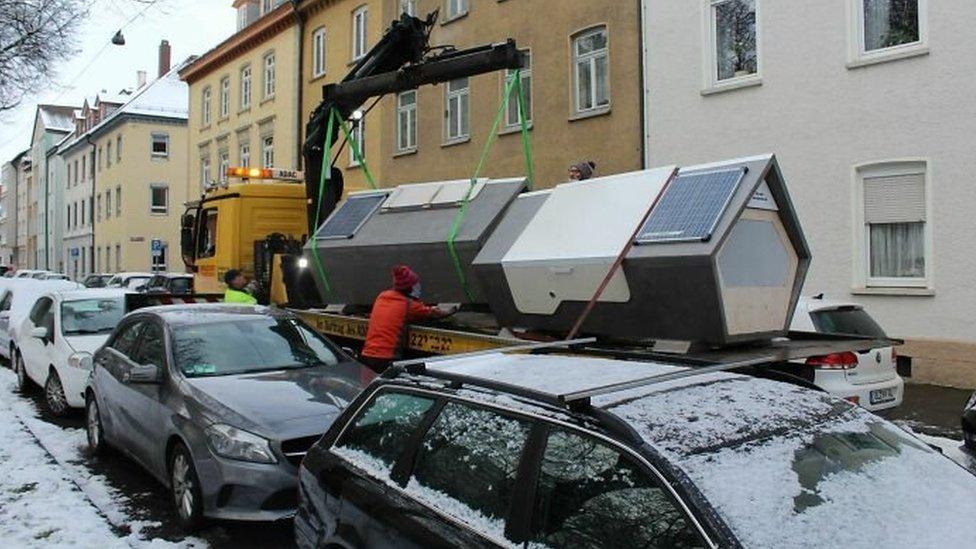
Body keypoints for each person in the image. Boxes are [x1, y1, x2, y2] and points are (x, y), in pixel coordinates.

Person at [360, 265, 456, 374]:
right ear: (410, 288)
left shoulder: (382, 296)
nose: (418, 287)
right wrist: (452, 310)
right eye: (416, 285)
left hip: (367, 355)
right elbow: (434, 313)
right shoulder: (408, 304)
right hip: (387, 357)